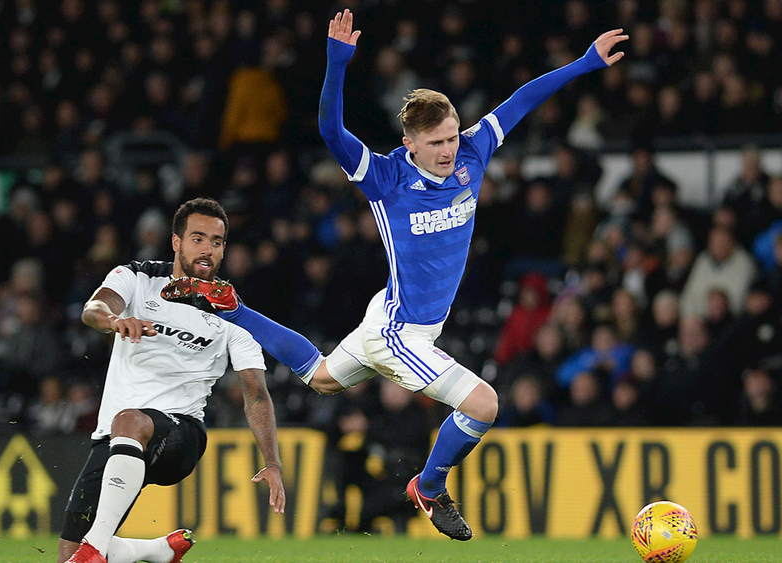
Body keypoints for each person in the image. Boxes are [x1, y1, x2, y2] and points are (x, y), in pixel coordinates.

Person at [161, 10, 627, 541]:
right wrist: (337, 63)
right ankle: (428, 488)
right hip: (399, 330)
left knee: (321, 377)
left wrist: (585, 63)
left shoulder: (474, 150)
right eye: (437, 143)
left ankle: (233, 307)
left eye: (452, 137)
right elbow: (330, 131)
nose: (449, 150)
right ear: (411, 146)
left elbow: (522, 99)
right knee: (485, 404)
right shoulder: (386, 177)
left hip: (391, 312)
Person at [61, 198, 286, 563]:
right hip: (115, 440)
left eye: (217, 241)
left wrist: (273, 461)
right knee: (66, 557)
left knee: (130, 421)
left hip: (181, 436)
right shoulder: (138, 277)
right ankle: (155, 550)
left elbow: (256, 395)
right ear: (176, 242)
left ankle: (95, 550)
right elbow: (94, 308)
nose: (208, 249)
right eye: (198, 238)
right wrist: (114, 320)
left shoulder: (233, 313)